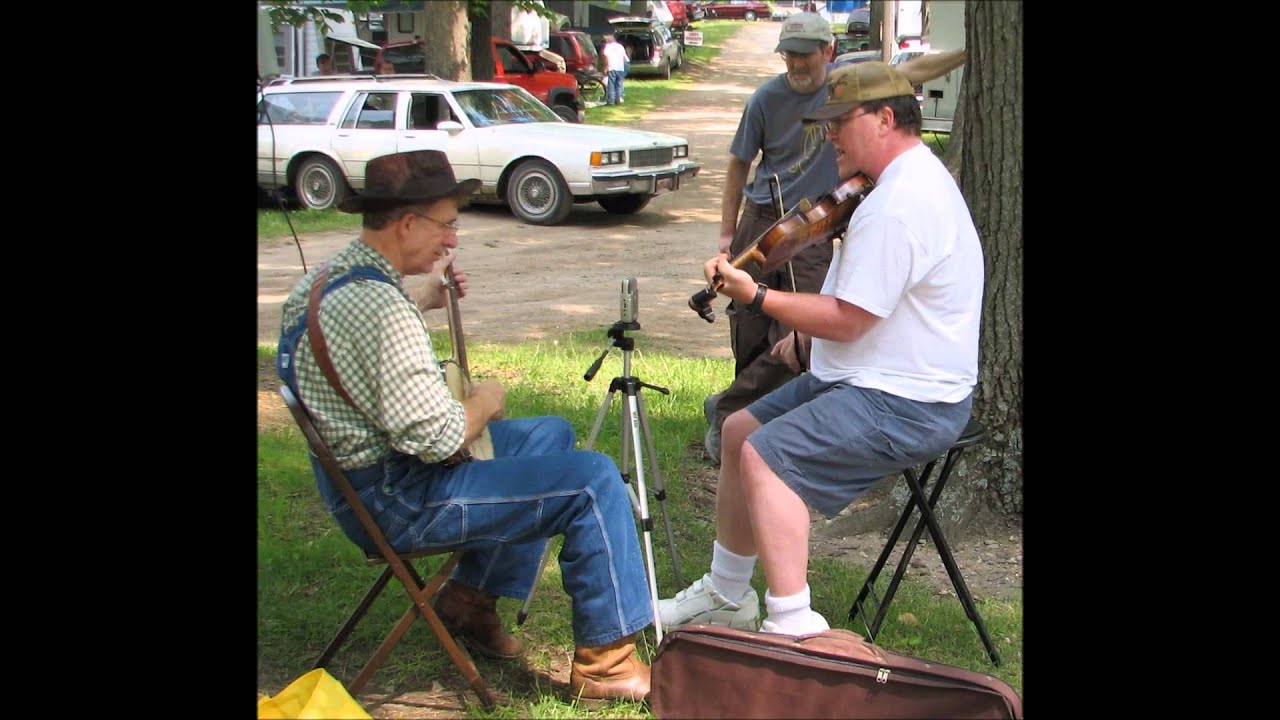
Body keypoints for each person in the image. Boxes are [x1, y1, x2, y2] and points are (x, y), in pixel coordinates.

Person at [276, 149, 653, 703]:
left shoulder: (328, 280)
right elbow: (438, 439)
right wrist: (484, 399)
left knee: (548, 435)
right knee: (593, 480)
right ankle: (607, 666)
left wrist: (424, 297)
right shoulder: (383, 311)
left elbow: (366, 328)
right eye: (446, 225)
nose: (452, 240)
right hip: (399, 499)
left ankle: (468, 601)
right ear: (408, 223)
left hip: (358, 487)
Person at [659, 51, 979, 636]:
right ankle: (727, 595)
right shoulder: (894, 183)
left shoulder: (900, 204)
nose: (829, 135)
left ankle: (793, 625)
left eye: (840, 121)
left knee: (766, 456)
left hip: (911, 400)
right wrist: (806, 337)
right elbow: (878, 303)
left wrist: (757, 295)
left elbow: (849, 321)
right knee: (738, 431)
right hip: (870, 377)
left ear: (884, 119)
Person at [703, 12, 840, 467]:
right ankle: (751, 421)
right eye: (789, 56)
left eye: (805, 56)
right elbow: (738, 164)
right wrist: (728, 232)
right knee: (749, 326)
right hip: (762, 217)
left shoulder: (844, 90)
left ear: (828, 51)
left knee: (798, 335)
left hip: (814, 226)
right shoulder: (765, 98)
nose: (796, 65)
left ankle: (728, 411)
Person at [601, 32, 628, 106]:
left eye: (606, 40)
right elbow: (624, 57)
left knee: (611, 84)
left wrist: (605, 67)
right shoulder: (620, 46)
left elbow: (606, 57)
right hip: (620, 67)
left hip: (612, 67)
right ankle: (618, 100)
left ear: (608, 40)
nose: (605, 41)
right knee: (619, 84)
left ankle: (610, 101)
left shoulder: (608, 47)